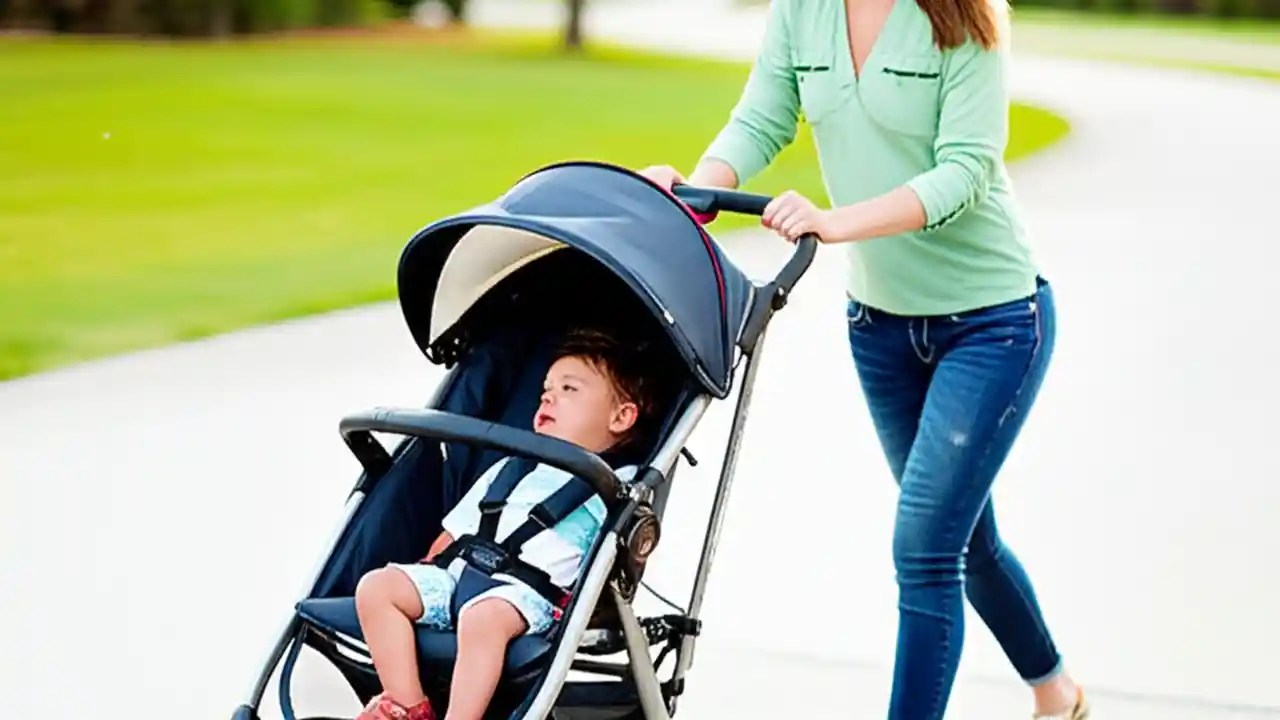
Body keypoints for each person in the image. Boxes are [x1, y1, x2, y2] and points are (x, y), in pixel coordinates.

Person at [638, 0, 1088, 718]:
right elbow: (763, 116)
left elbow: (967, 170)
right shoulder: (803, 10)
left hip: (994, 324)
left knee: (925, 549)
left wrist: (832, 222)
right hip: (880, 330)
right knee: (965, 538)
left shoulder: (972, 14)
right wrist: (699, 188)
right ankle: (1056, 691)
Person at [352, 328, 661, 720]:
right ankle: (408, 706)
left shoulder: (618, 483)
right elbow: (453, 533)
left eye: (569, 389)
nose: (548, 395)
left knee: (483, 619)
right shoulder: (509, 468)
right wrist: (427, 569)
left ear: (621, 416)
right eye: (546, 388)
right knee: (376, 587)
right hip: (458, 578)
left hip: (526, 596)